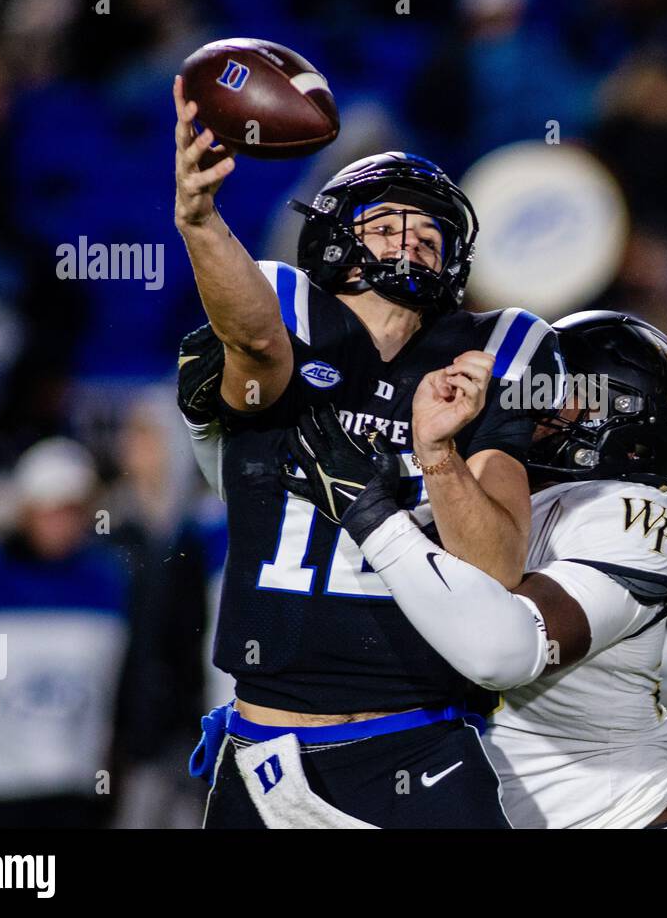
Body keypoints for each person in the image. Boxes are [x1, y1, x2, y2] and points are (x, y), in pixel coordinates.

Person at [172, 77, 560, 828]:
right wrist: (200, 222)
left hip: (418, 745)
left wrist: (439, 451)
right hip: (260, 755)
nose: (408, 242)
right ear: (333, 238)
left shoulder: (483, 361)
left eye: (428, 235)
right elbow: (254, 341)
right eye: (386, 225)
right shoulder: (286, 314)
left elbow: (496, 570)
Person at [286, 311, 667, 827]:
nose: (525, 401)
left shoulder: (627, 513)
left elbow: (502, 652)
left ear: (622, 420)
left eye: (556, 391)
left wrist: (374, 516)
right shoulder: (476, 491)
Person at [0, 438, 130, 828]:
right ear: (26, 510)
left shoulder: (109, 581)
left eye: (71, 510)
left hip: (76, 785)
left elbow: (125, 684)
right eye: (51, 510)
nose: (60, 523)